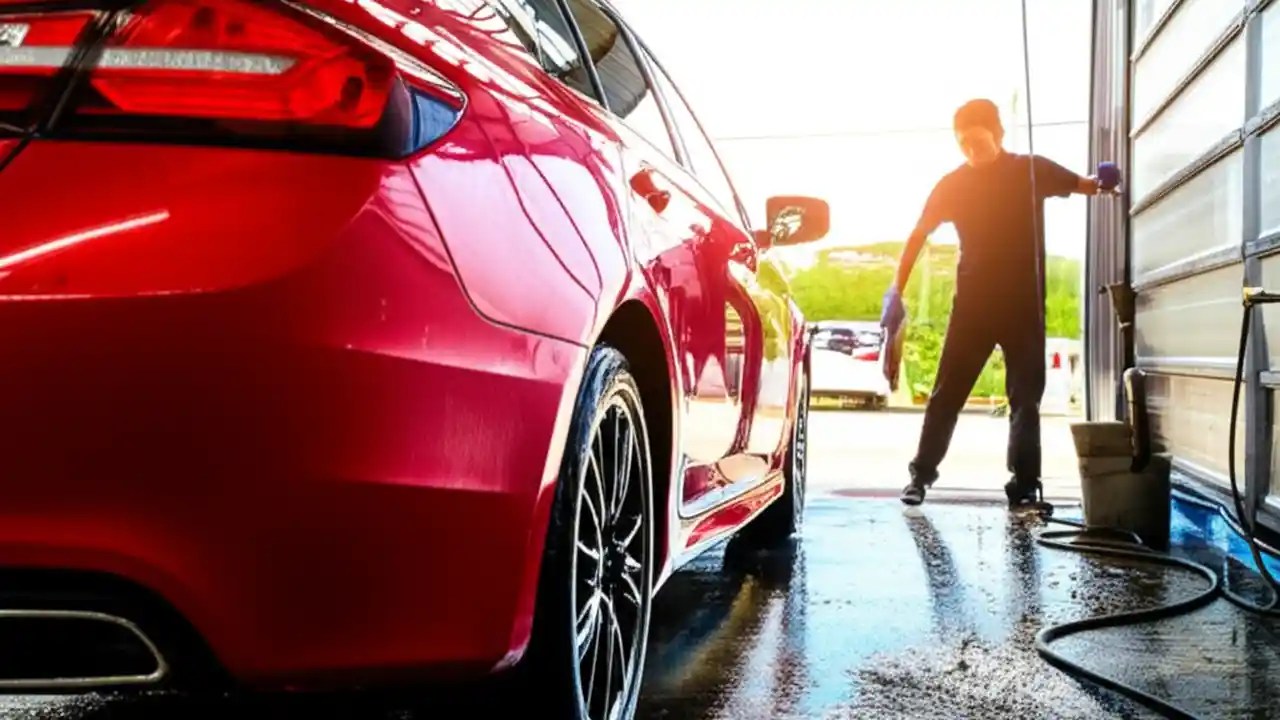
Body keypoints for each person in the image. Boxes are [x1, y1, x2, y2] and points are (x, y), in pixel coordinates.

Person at [882, 98, 1110, 509]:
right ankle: (920, 476)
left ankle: (1024, 485)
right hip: (972, 309)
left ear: (998, 134)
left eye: (977, 140)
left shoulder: (1031, 170)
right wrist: (896, 288)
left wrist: (1105, 182)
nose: (971, 150)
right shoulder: (952, 185)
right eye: (963, 144)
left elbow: (1084, 184)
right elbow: (918, 234)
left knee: (1026, 399)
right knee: (947, 394)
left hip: (1023, 308)